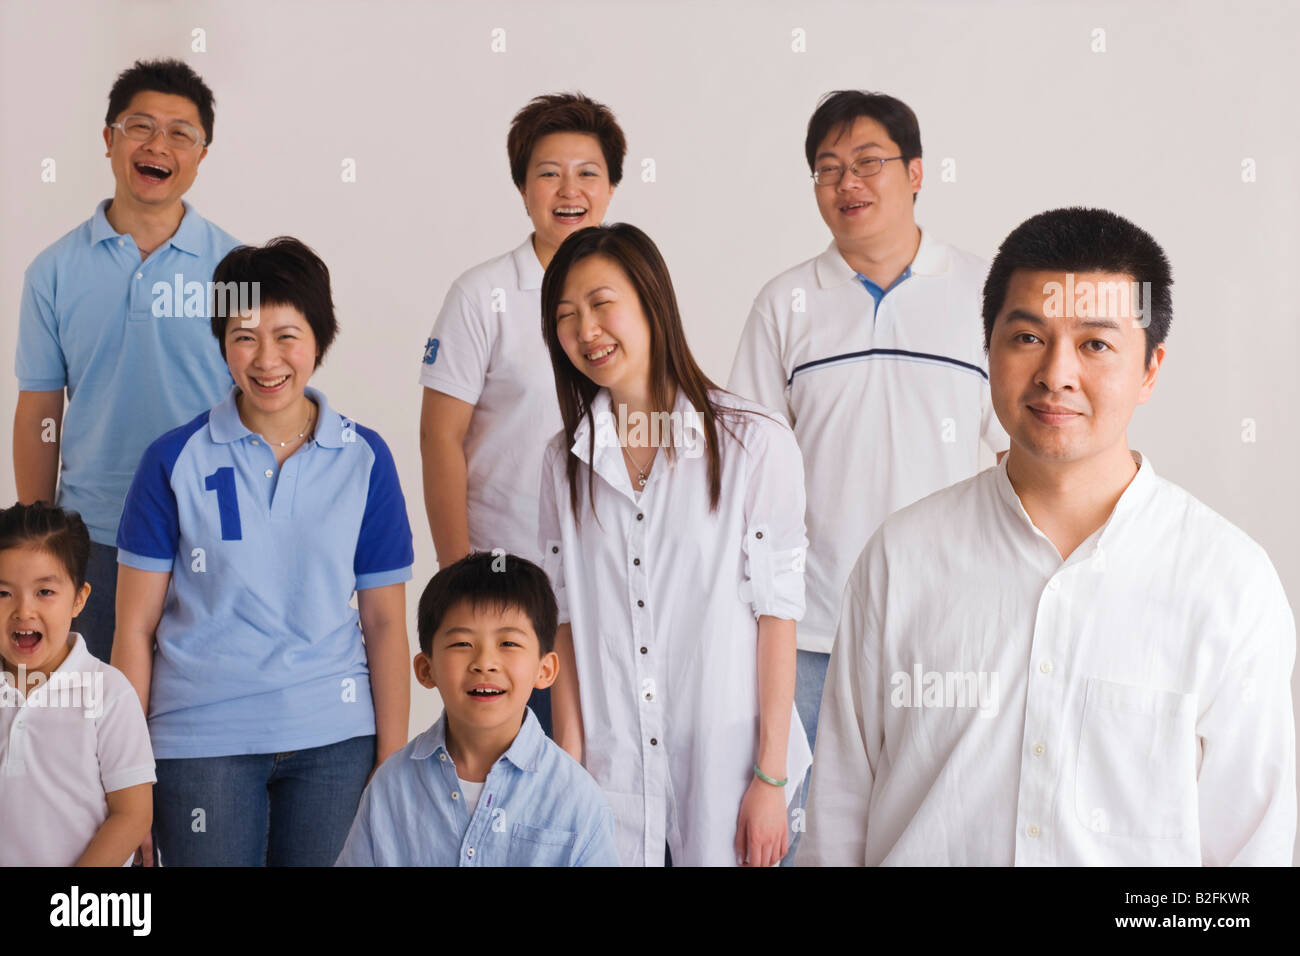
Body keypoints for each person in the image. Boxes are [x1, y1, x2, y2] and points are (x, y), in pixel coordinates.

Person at [799, 207, 1297, 866]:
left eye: (1095, 344)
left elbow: (1245, 864)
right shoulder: (900, 560)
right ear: (989, 349)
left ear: (1150, 368)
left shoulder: (1228, 582)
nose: (1056, 374)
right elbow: (836, 829)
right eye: (1028, 337)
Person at [113, 238, 414, 866]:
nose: (266, 359)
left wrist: (391, 760)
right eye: (244, 336)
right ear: (222, 342)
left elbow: (385, 622)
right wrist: (129, 780)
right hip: (199, 740)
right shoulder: (171, 460)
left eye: (287, 335)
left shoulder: (365, 459)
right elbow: (133, 629)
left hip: (334, 739)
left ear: (320, 339)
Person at [728, 91, 1009, 765]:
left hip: (945, 629)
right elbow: (745, 472)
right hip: (809, 633)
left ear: (915, 172)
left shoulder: (985, 294)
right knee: (807, 838)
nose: (846, 183)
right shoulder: (784, 305)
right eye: (828, 169)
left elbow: (1020, 457)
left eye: (867, 162)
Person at [538, 223, 812, 867]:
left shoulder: (756, 443)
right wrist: (573, 770)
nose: (586, 331)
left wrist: (769, 782)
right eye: (566, 316)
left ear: (652, 303)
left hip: (729, 773)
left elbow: (778, 617)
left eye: (602, 304)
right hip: (612, 774)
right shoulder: (564, 462)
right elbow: (564, 622)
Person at [13, 58, 241, 663]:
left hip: (213, 528)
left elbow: (262, 398)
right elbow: (40, 407)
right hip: (94, 536)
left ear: (201, 154)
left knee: (198, 720)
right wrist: (40, 534)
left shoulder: (238, 271)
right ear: (109, 139)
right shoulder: (54, 270)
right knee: (92, 718)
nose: (157, 145)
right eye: (140, 126)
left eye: (179, 133)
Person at [419, 93, 627, 737]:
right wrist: (461, 583)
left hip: (610, 588)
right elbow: (439, 440)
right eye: (548, 172)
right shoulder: (482, 296)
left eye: (588, 172)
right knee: (511, 770)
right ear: (522, 187)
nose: (570, 190)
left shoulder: (631, 291)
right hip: (509, 597)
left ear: (612, 186)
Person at [336, 552, 619, 866]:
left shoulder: (577, 798)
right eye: (461, 644)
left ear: (545, 669)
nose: (485, 663)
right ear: (426, 669)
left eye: (508, 644)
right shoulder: (391, 786)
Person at [0, 502, 154, 866]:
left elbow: (132, 815)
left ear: (79, 599)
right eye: (3, 593)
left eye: (45, 592)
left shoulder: (109, 692)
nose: (23, 610)